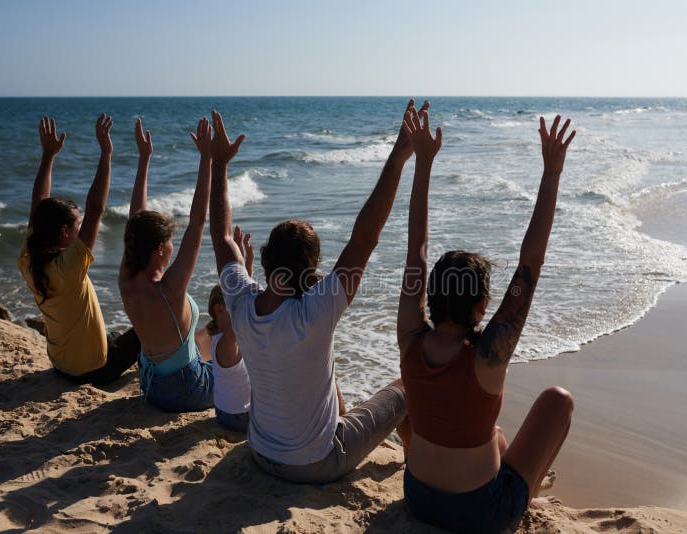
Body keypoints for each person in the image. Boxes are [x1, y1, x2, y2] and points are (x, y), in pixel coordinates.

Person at [210, 102, 421, 483]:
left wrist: (219, 164)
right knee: (406, 388)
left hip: (260, 452)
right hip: (315, 463)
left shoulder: (240, 301)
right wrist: (399, 156)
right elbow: (365, 238)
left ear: (267, 260)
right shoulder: (315, 312)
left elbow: (223, 237)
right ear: (312, 268)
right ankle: (417, 466)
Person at [397, 111, 576, 533]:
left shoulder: (410, 338)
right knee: (558, 400)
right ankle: (529, 491)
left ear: (432, 296)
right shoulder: (488, 357)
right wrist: (551, 172)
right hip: (480, 514)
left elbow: (415, 250)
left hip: (417, 498)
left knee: (490, 433)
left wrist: (423, 162)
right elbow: (530, 261)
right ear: (482, 305)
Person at [19, 115, 140, 386]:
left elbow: (37, 203)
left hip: (61, 366)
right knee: (151, 324)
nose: (80, 229)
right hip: (96, 370)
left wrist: (48, 155)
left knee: (116, 335)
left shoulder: (28, 257)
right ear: (64, 233)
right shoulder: (68, 266)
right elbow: (96, 208)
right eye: (77, 225)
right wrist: (106, 153)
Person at [118, 118, 214, 412]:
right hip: (184, 389)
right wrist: (206, 159)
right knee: (247, 358)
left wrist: (144, 160)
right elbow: (198, 221)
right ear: (160, 249)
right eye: (171, 242)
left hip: (150, 384)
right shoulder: (169, 288)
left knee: (208, 332)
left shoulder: (127, 280)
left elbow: (135, 220)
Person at [196, 226, 254, 432]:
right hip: (238, 417)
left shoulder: (221, 336)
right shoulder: (226, 342)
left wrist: (245, 266)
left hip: (224, 412)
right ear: (220, 308)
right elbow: (246, 305)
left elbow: (244, 299)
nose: (237, 304)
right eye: (232, 302)